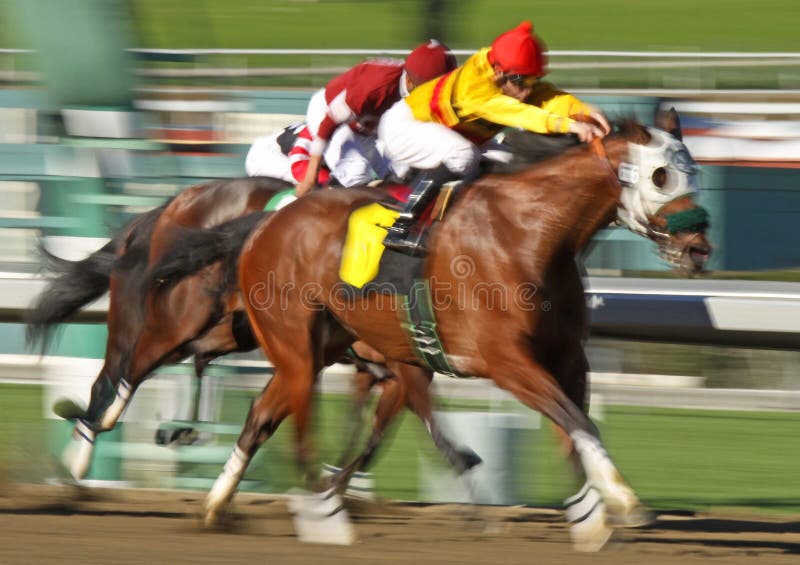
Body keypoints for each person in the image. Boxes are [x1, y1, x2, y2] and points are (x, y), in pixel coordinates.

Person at [378, 21, 611, 255]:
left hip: (450, 133)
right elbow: (520, 113)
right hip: (404, 127)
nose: (527, 91)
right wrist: (568, 125)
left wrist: (582, 110)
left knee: (513, 164)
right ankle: (402, 227)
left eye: (532, 81)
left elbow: (546, 97)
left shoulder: (509, 76)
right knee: (462, 155)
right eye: (522, 82)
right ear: (499, 72)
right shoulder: (474, 86)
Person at [295, 39, 458, 196]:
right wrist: (311, 173)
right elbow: (329, 122)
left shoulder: (415, 82)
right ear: (410, 82)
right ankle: (319, 206)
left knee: (404, 168)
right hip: (329, 113)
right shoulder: (376, 86)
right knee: (357, 171)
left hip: (367, 125)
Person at [245, 122, 331, 186]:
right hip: (264, 158)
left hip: (284, 151)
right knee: (308, 184)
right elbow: (299, 168)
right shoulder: (314, 136)